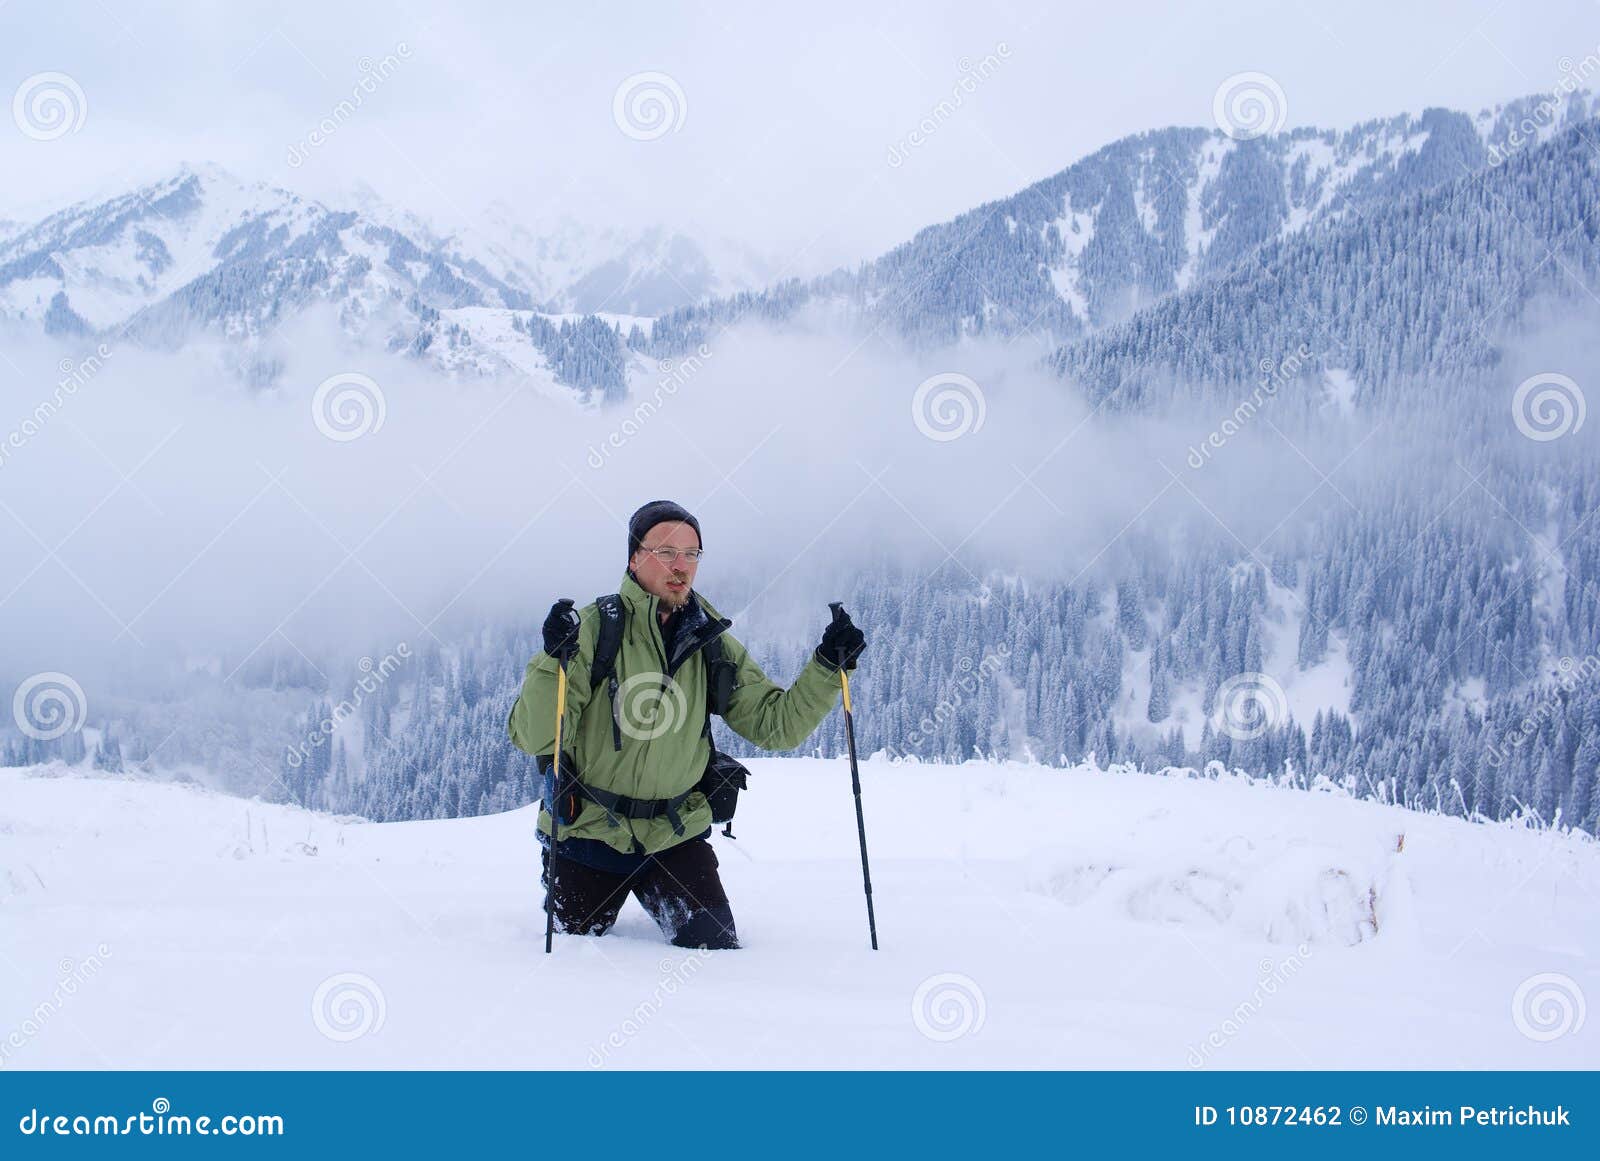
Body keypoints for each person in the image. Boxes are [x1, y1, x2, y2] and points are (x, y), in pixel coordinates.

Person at [507, 499, 866, 949]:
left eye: (691, 554)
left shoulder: (708, 639)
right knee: (576, 945)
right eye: (666, 552)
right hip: (589, 831)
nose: (681, 566)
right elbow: (535, 736)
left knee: (712, 946)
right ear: (635, 558)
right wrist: (552, 662)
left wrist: (827, 668)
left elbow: (777, 726)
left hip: (674, 835)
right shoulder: (594, 631)